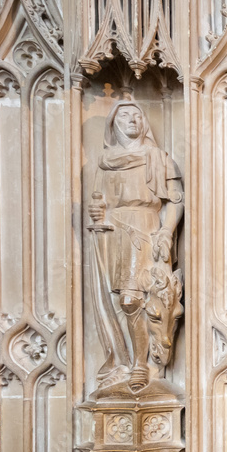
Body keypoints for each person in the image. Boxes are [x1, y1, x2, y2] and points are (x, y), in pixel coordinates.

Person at [88, 101, 184, 393]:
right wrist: (98, 211)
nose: (132, 120)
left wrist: (167, 231)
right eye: (124, 115)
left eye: (137, 115)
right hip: (115, 233)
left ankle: (141, 365)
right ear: (113, 124)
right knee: (125, 302)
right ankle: (128, 359)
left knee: (142, 299)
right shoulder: (106, 162)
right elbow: (99, 200)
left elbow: (175, 200)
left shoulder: (157, 157)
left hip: (147, 229)